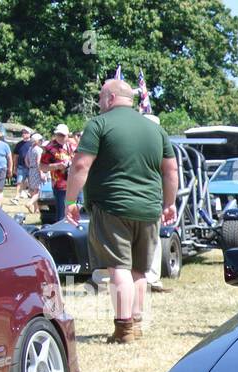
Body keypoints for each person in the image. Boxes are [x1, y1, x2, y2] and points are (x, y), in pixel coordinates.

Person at [64, 78, 178, 344]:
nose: (100, 103)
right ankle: (135, 322)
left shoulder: (99, 124)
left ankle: (123, 327)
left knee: (119, 268)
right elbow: (171, 170)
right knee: (139, 270)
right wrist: (169, 203)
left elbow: (81, 165)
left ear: (110, 98)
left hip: (112, 206)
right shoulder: (155, 130)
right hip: (149, 209)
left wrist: (70, 200)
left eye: (101, 98)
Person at [41, 124, 73, 222]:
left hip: (74, 184)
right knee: (62, 214)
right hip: (60, 186)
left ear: (68, 135)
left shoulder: (73, 145)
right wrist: (57, 166)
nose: (60, 137)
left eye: (63, 135)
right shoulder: (49, 148)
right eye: (58, 134)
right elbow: (42, 166)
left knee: (74, 211)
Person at [23, 133, 44, 213]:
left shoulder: (30, 149)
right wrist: (41, 172)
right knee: (38, 191)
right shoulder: (39, 150)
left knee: (33, 190)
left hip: (31, 170)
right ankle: (30, 203)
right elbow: (39, 162)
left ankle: (36, 208)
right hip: (37, 170)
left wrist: (29, 166)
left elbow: (26, 160)